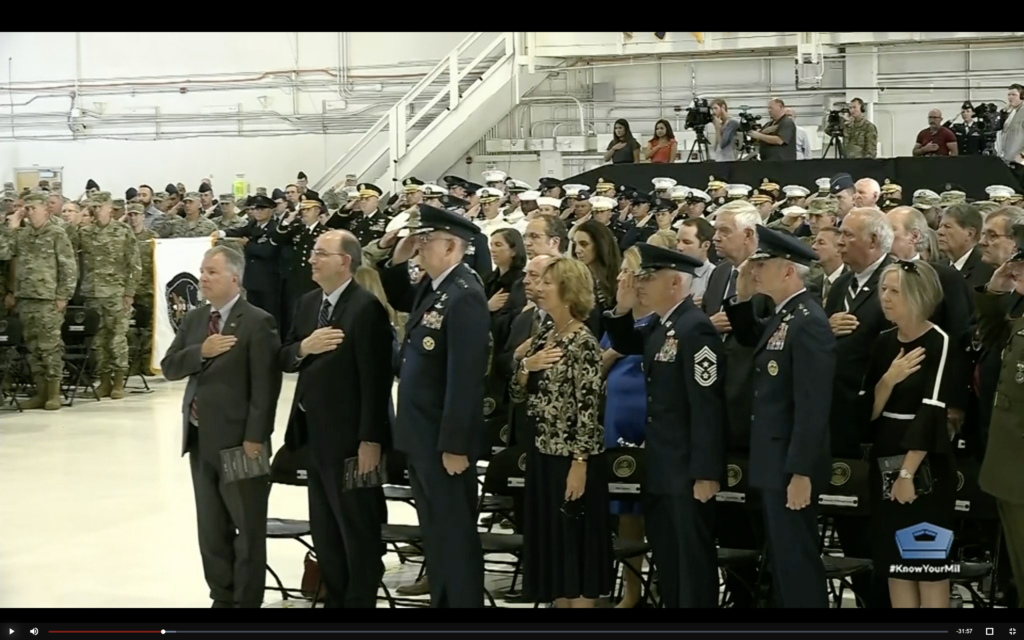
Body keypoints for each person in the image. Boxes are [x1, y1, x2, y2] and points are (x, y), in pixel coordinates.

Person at [377, 204, 490, 608]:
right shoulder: (438, 285)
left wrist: (455, 444)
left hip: (444, 441)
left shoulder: (464, 295)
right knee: (436, 533)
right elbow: (399, 293)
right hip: (421, 434)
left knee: (454, 536)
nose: (420, 246)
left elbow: (465, 378)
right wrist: (398, 253)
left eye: (426, 240)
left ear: (451, 245)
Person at [160, 245, 283, 608]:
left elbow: (266, 387)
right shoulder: (196, 320)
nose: (203, 278)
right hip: (200, 440)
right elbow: (170, 366)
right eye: (201, 271)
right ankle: (222, 596)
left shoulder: (258, 321)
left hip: (241, 443)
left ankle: (246, 602)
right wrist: (202, 351)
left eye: (211, 272)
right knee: (211, 530)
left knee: (247, 528)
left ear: (235, 277)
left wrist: (255, 438)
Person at [606, 243, 727, 608]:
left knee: (690, 561)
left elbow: (707, 407)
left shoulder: (695, 329)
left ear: (675, 282)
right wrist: (623, 308)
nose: (640, 284)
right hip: (661, 464)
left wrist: (706, 472)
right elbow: (629, 343)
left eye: (649, 277)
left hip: (687, 467)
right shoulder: (664, 324)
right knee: (669, 558)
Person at [279, 229, 394, 608]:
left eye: (320, 253)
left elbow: (375, 381)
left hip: (351, 441)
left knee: (356, 530)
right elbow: (284, 355)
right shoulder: (309, 303)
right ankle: (336, 600)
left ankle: (359, 603)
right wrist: (303, 347)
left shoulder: (365, 308)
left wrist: (371, 441)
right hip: (313, 438)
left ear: (344, 262)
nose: (312, 259)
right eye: (313, 252)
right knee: (326, 530)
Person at [724, 226, 834, 608]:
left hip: (790, 464)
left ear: (788, 270)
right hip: (772, 460)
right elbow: (749, 338)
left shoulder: (808, 321)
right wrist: (741, 296)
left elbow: (813, 404)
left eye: (764, 264)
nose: (755, 270)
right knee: (784, 562)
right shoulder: (784, 315)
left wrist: (801, 472)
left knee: (796, 560)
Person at [510, 256, 613, 608]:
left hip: (572, 458)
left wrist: (580, 463)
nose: (538, 288)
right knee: (554, 553)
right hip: (542, 453)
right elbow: (517, 393)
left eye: (547, 283)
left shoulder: (582, 342)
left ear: (568, 291)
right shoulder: (545, 334)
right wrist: (525, 366)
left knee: (576, 551)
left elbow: (589, 409)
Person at [861, 260, 957, 608]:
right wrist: (889, 379)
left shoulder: (939, 341)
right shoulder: (884, 342)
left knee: (926, 565)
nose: (884, 297)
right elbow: (867, 411)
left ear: (917, 296)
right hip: (885, 453)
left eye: (894, 291)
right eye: (883, 289)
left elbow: (933, 411)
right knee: (895, 564)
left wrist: (907, 473)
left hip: (922, 461)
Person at [596, 247, 651, 608]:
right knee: (626, 513)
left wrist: (616, 353)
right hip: (616, 418)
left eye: (627, 272)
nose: (619, 278)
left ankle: (652, 585)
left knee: (649, 510)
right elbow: (596, 370)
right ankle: (630, 591)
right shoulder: (616, 322)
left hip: (646, 417)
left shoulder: (658, 320)